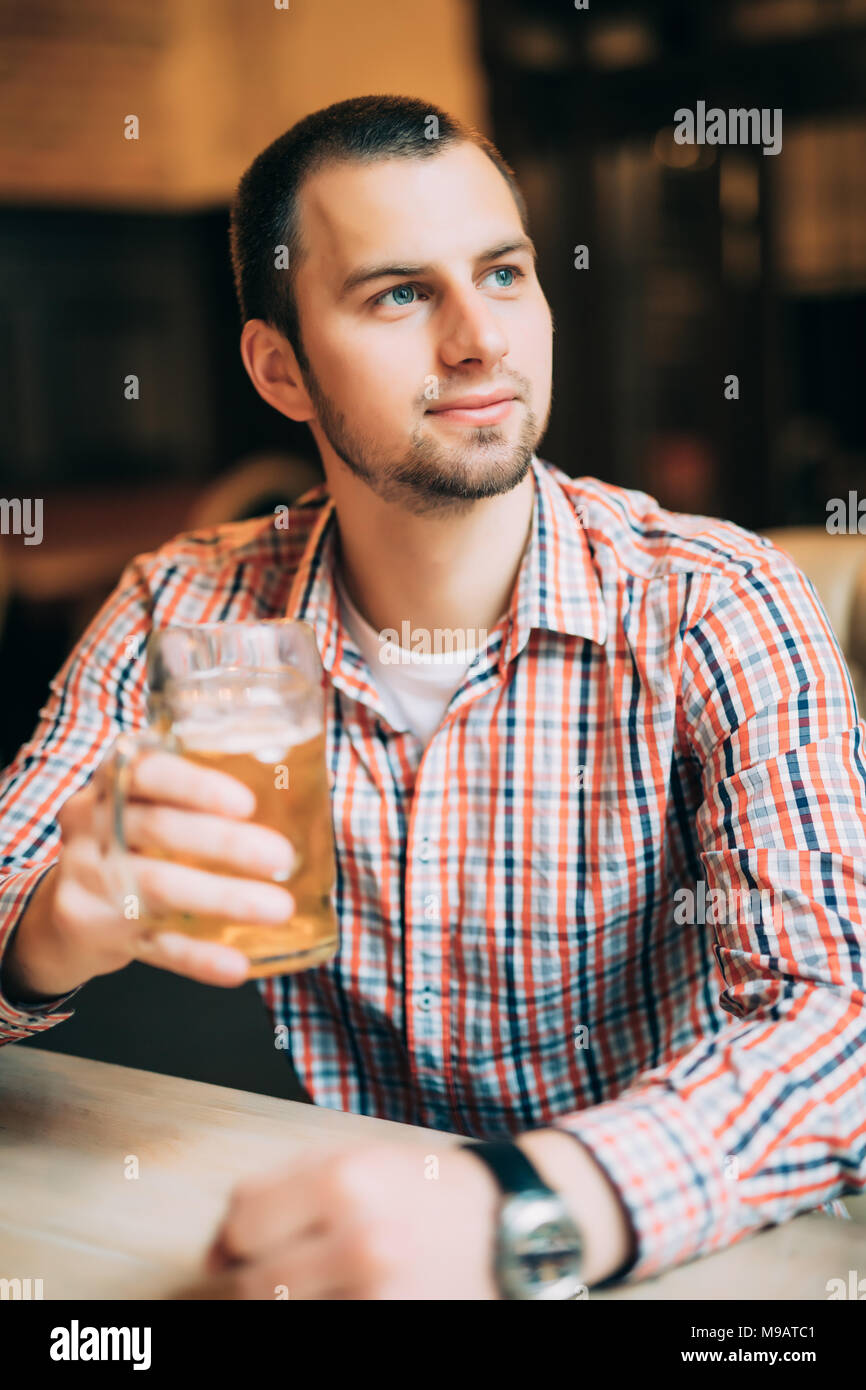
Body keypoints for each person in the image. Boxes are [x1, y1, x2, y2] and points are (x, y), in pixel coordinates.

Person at [1, 94, 863, 1301]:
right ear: (280, 369)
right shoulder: (183, 603)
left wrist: (521, 1205)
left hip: (665, 1266)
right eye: (399, 293)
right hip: (339, 1250)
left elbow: (839, 1028)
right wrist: (43, 936)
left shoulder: (712, 601)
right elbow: (14, 880)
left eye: (503, 273)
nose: (479, 340)